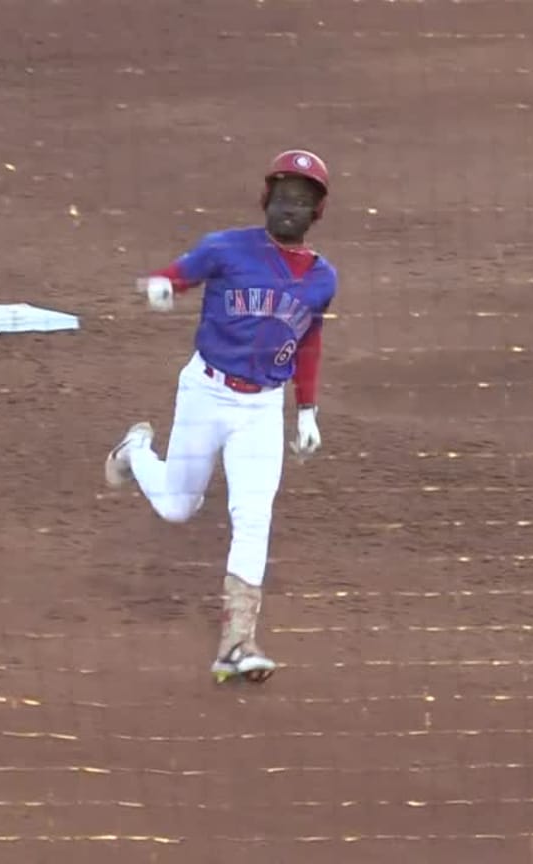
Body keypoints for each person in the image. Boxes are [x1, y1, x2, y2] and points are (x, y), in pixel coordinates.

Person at [104, 149, 337, 684]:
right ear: (266, 200)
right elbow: (177, 275)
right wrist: (162, 286)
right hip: (205, 395)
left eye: (301, 203)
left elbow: (310, 342)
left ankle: (237, 642)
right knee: (177, 508)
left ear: (316, 213)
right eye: (281, 198)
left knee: (254, 516)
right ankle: (137, 450)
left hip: (261, 409)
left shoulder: (322, 279)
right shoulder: (227, 248)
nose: (288, 209)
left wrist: (307, 412)